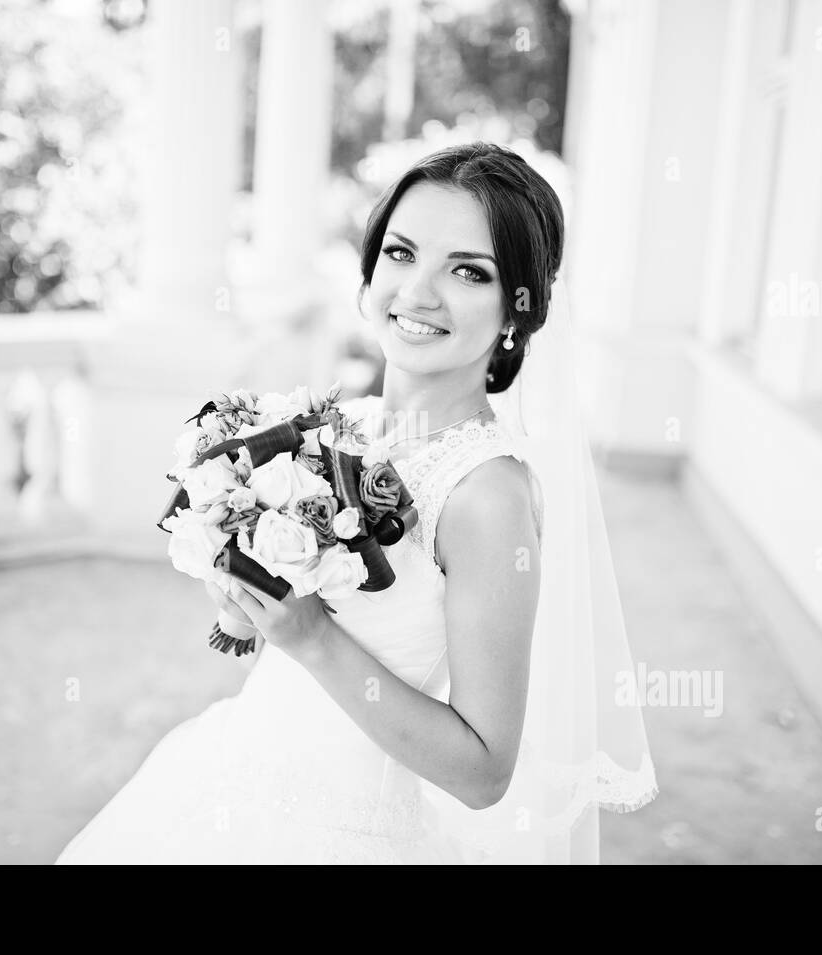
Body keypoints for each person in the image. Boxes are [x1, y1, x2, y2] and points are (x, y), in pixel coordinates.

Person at [55, 142, 657, 865]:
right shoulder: (345, 426)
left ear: (516, 311)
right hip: (236, 782)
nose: (420, 292)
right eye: (402, 254)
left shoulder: (486, 495)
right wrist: (247, 594)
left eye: (469, 271)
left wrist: (313, 637)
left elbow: (484, 770)